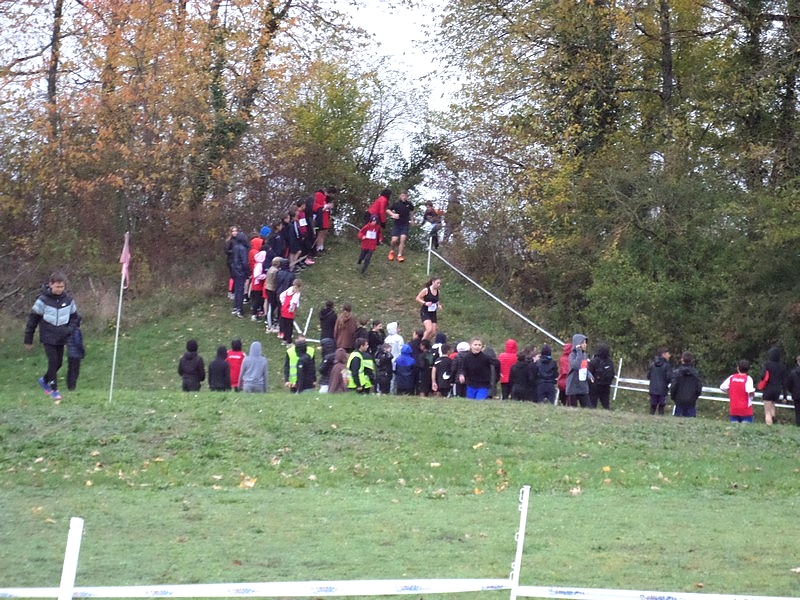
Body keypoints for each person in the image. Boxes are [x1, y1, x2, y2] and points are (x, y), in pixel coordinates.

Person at [24, 271, 79, 402]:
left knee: (58, 363)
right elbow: (33, 320)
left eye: (62, 287)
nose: (59, 289)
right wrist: (28, 339)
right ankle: (54, 389)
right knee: (53, 361)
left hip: (62, 336)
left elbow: (75, 317)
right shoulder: (42, 300)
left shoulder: (69, 300)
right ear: (51, 285)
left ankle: (44, 380)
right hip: (48, 336)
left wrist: (69, 329)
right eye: (57, 287)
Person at [757, 346, 786, 425]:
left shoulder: (767, 365)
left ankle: (769, 426)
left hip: (768, 388)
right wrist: (785, 396)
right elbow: (784, 382)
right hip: (777, 390)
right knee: (772, 405)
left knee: (767, 411)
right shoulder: (782, 366)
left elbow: (762, 376)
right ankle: (773, 420)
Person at [670, 351, 703, 417]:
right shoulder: (696, 373)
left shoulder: (677, 372)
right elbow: (699, 388)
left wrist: (673, 397)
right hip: (691, 402)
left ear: (682, 360)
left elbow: (673, 386)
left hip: (679, 401)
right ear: (692, 360)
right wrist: (695, 397)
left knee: (677, 421)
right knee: (691, 421)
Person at [387, 190, 414, 262]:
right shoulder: (396, 204)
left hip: (405, 224)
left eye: (405, 196)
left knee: (403, 239)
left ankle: (399, 255)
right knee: (394, 240)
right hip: (397, 224)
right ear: (400, 196)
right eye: (403, 195)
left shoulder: (409, 204)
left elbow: (412, 211)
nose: (404, 197)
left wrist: (412, 220)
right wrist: (393, 214)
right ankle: (392, 251)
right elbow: (388, 210)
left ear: (407, 197)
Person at [566, 334, 592, 407]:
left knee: (587, 408)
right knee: (572, 410)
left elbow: (584, 368)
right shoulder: (572, 355)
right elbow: (576, 366)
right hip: (573, 386)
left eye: (585, 343)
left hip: (582, 386)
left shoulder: (585, 355)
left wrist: (589, 375)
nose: (585, 345)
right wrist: (579, 352)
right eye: (582, 343)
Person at [588, 343, 614, 409]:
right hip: (606, 385)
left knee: (592, 404)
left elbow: (589, 373)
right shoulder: (610, 362)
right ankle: (607, 413)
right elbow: (613, 374)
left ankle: (592, 412)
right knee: (606, 404)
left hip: (595, 386)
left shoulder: (594, 361)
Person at [230, 230, 250, 317]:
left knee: (237, 289)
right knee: (240, 290)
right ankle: (239, 309)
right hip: (241, 271)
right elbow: (244, 262)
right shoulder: (243, 249)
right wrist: (248, 271)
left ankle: (236, 307)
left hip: (235, 270)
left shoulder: (235, 247)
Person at [415, 277, 442, 341]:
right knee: (429, 329)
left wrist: (438, 305)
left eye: (440, 283)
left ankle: (426, 342)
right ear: (433, 282)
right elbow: (417, 298)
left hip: (433, 312)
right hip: (425, 311)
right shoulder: (426, 290)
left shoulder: (438, 291)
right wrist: (425, 303)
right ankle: (421, 343)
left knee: (433, 332)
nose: (439, 285)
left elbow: (436, 300)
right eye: (437, 283)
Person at [647, 347, 672, 415]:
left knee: (653, 406)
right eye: (668, 354)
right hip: (663, 389)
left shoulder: (652, 364)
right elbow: (669, 377)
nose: (669, 355)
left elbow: (648, 376)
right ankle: (660, 418)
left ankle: (650, 417)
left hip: (653, 389)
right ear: (663, 354)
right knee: (661, 407)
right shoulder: (667, 365)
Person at [279, 278, 302, 346]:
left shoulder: (289, 290)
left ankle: (284, 340)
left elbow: (281, 296)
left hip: (283, 310)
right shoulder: (297, 294)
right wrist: (291, 310)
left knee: (285, 326)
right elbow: (293, 303)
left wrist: (283, 303)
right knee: (289, 327)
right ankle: (289, 342)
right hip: (289, 313)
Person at [66, 313, 85, 391]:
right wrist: (82, 350)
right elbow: (78, 342)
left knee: (70, 369)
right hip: (76, 354)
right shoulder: (76, 331)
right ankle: (72, 386)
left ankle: (69, 385)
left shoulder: (68, 330)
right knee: (75, 371)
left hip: (70, 353)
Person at [784, 354, 800, 426]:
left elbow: (788, 384)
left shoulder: (793, 373)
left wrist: (792, 391)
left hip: (797, 394)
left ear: (798, 362)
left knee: (798, 412)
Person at [557, 342, 573, 406]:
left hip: (562, 381)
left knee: (562, 398)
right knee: (569, 400)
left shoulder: (562, 358)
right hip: (568, 382)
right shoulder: (571, 359)